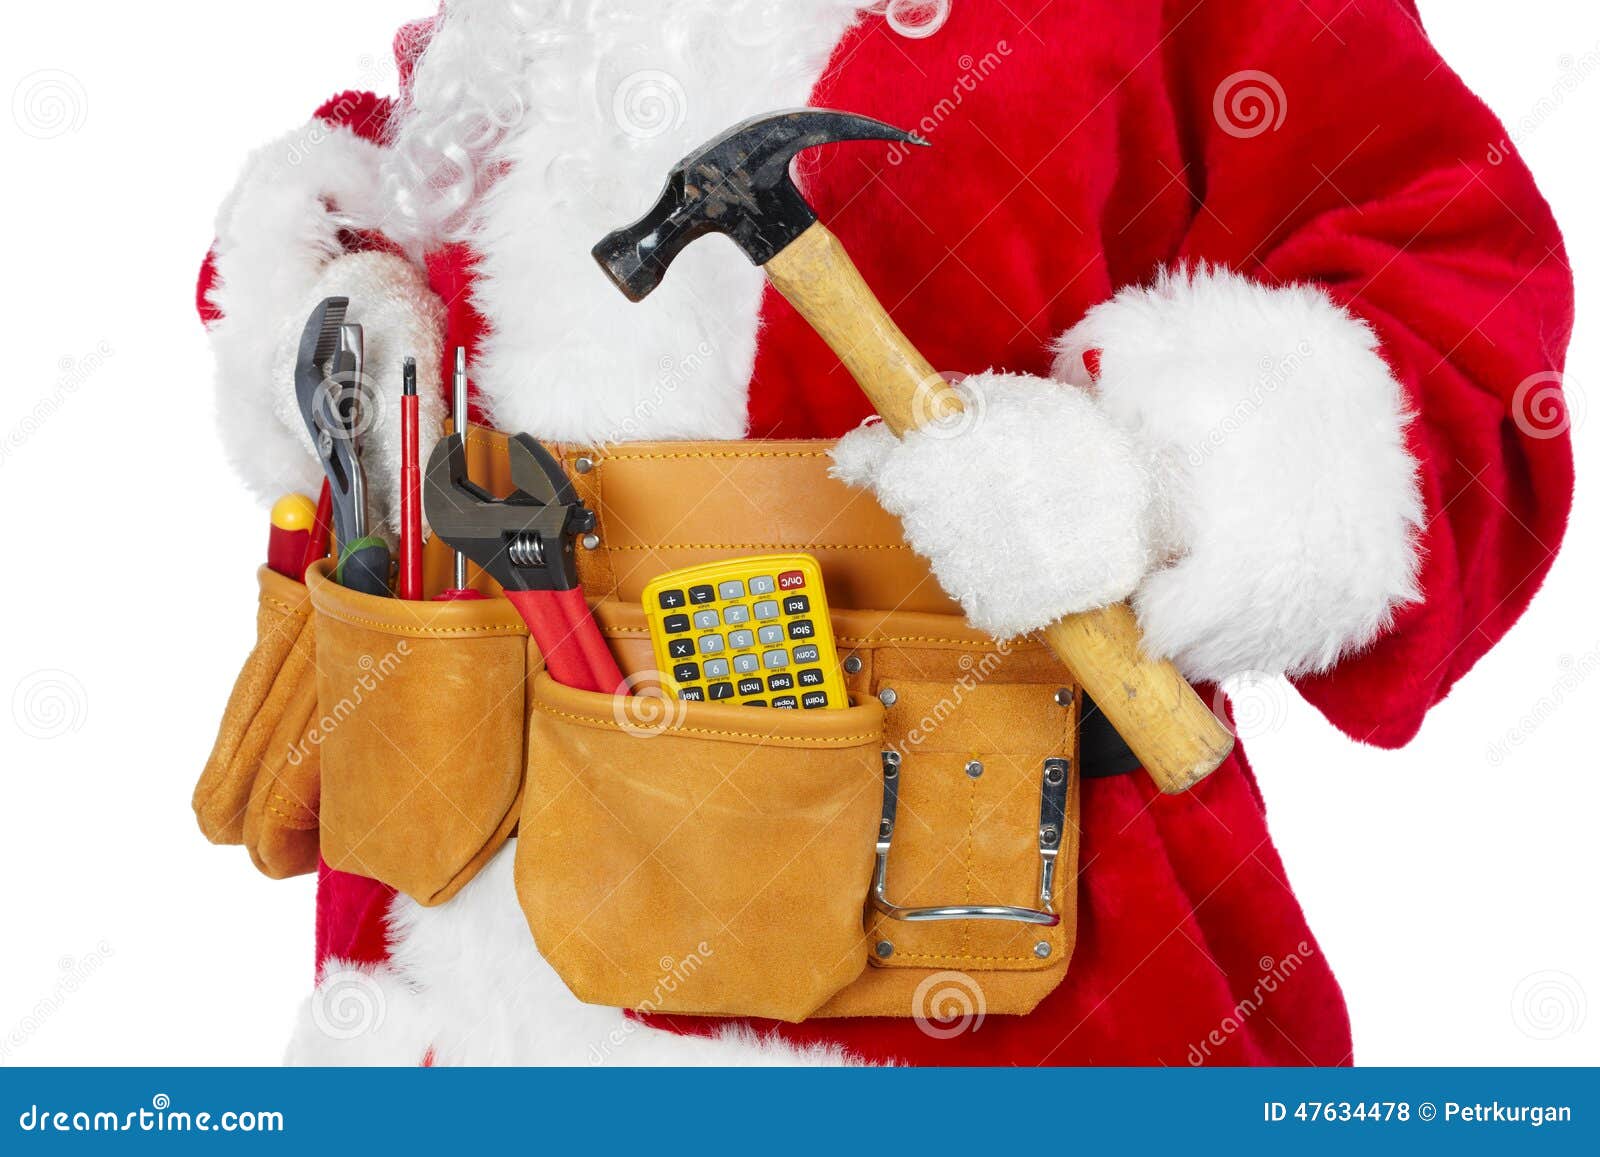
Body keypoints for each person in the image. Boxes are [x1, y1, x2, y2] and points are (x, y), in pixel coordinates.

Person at [199, 0, 1573, 1065]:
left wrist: (1155, 485)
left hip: (992, 1018)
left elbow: (1458, 316)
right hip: (473, 1005)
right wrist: (343, 293)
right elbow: (464, 229)